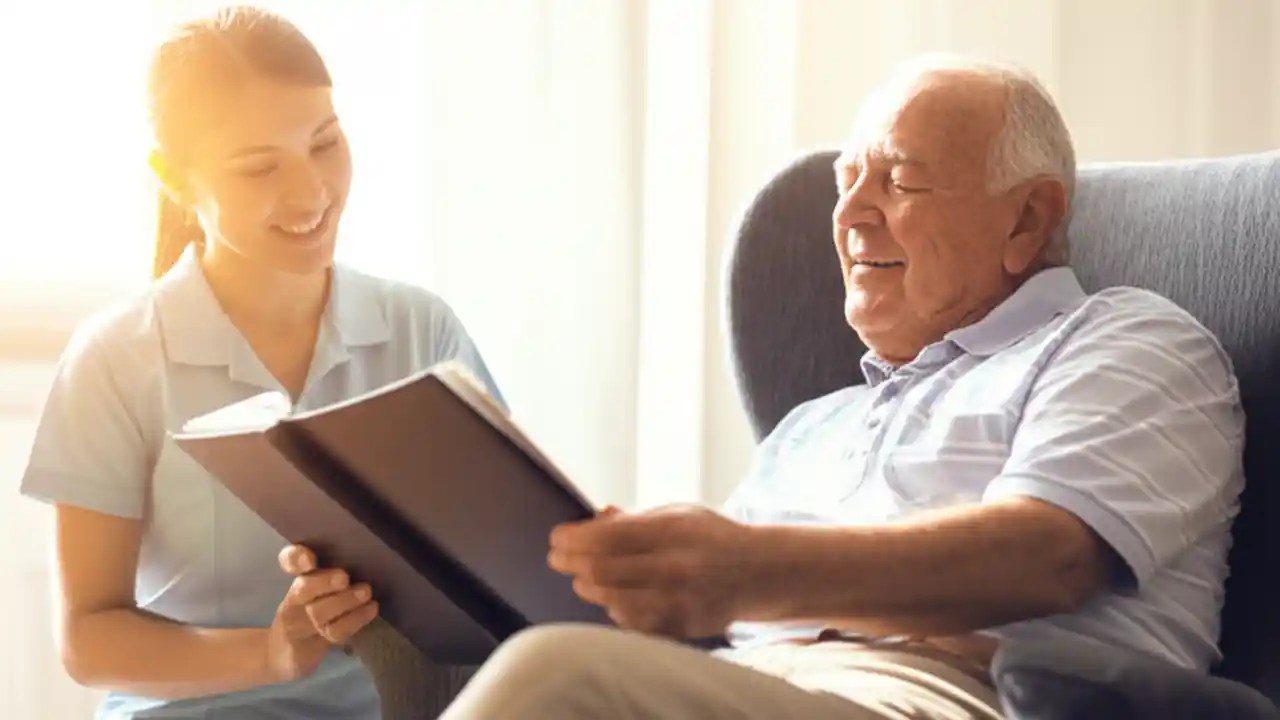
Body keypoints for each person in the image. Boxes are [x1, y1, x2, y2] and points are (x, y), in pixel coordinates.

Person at [435, 56, 1246, 719]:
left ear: (1027, 221)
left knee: (562, 680)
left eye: (897, 182)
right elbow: (715, 629)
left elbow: (1050, 557)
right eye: (845, 183)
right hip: (759, 686)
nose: (850, 216)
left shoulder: (1127, 341)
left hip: (955, 693)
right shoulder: (813, 426)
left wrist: (745, 570)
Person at [20, 7, 492, 718]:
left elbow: (497, 553)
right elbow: (88, 639)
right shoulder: (116, 360)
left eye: (325, 143)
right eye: (259, 167)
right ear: (175, 180)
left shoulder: (420, 331)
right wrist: (271, 653)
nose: (310, 194)